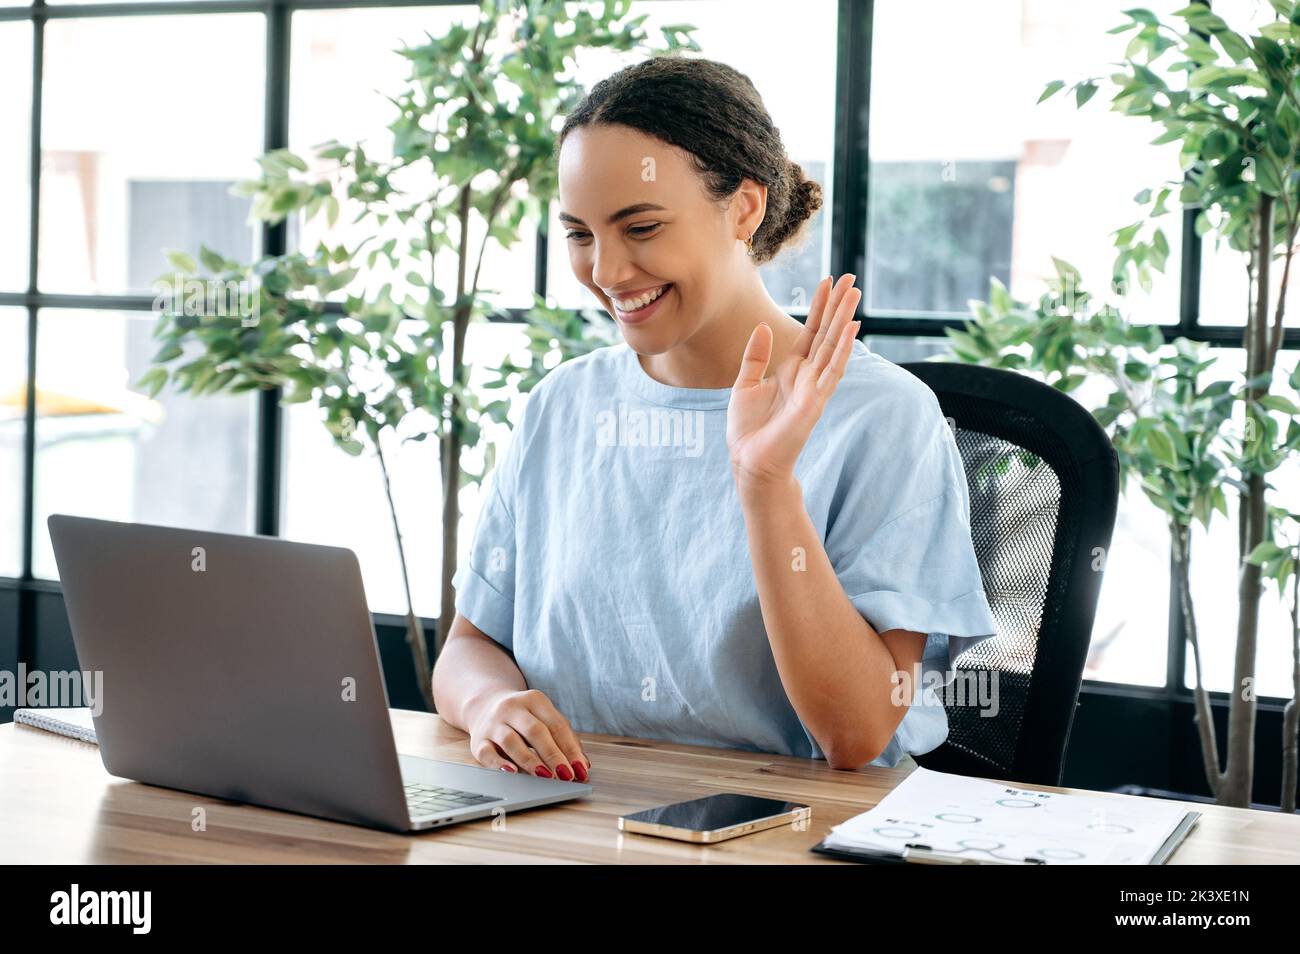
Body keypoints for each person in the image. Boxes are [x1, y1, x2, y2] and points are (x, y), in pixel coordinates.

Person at [431, 55, 997, 783]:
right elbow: (469, 647)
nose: (605, 271)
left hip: (778, 831)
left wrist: (766, 485)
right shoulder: (561, 406)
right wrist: (489, 707)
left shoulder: (880, 419)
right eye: (579, 234)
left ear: (745, 209)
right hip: (572, 817)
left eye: (640, 227)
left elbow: (856, 733)